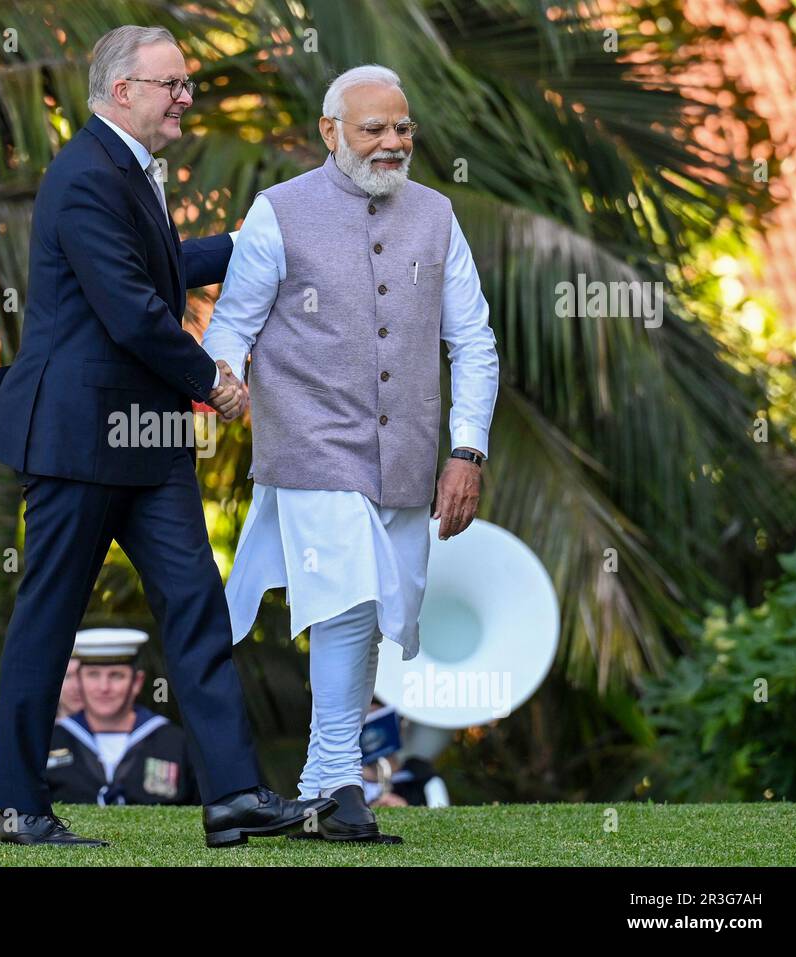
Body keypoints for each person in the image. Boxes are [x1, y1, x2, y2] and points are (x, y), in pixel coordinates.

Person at [0, 24, 335, 848]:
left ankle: (233, 797)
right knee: (48, 618)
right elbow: (131, 309)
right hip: (75, 439)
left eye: (187, 84)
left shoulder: (125, 170)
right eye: (171, 84)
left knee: (197, 607)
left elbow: (162, 267)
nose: (184, 98)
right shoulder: (85, 174)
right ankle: (20, 807)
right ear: (120, 90)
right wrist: (211, 381)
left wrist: (254, 246)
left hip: (145, 444)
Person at [202, 64, 499, 842]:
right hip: (308, 444)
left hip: (404, 452)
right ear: (330, 132)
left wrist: (467, 449)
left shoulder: (437, 216)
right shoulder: (278, 211)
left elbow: (473, 340)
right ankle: (333, 784)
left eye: (403, 128)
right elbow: (231, 322)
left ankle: (326, 790)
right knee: (346, 597)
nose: (393, 142)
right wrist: (221, 375)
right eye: (374, 128)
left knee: (369, 613)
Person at [48, 629, 199, 805]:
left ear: (137, 682)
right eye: (93, 675)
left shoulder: (174, 741)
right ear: (79, 681)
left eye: (116, 675)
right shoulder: (49, 742)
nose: (104, 687)